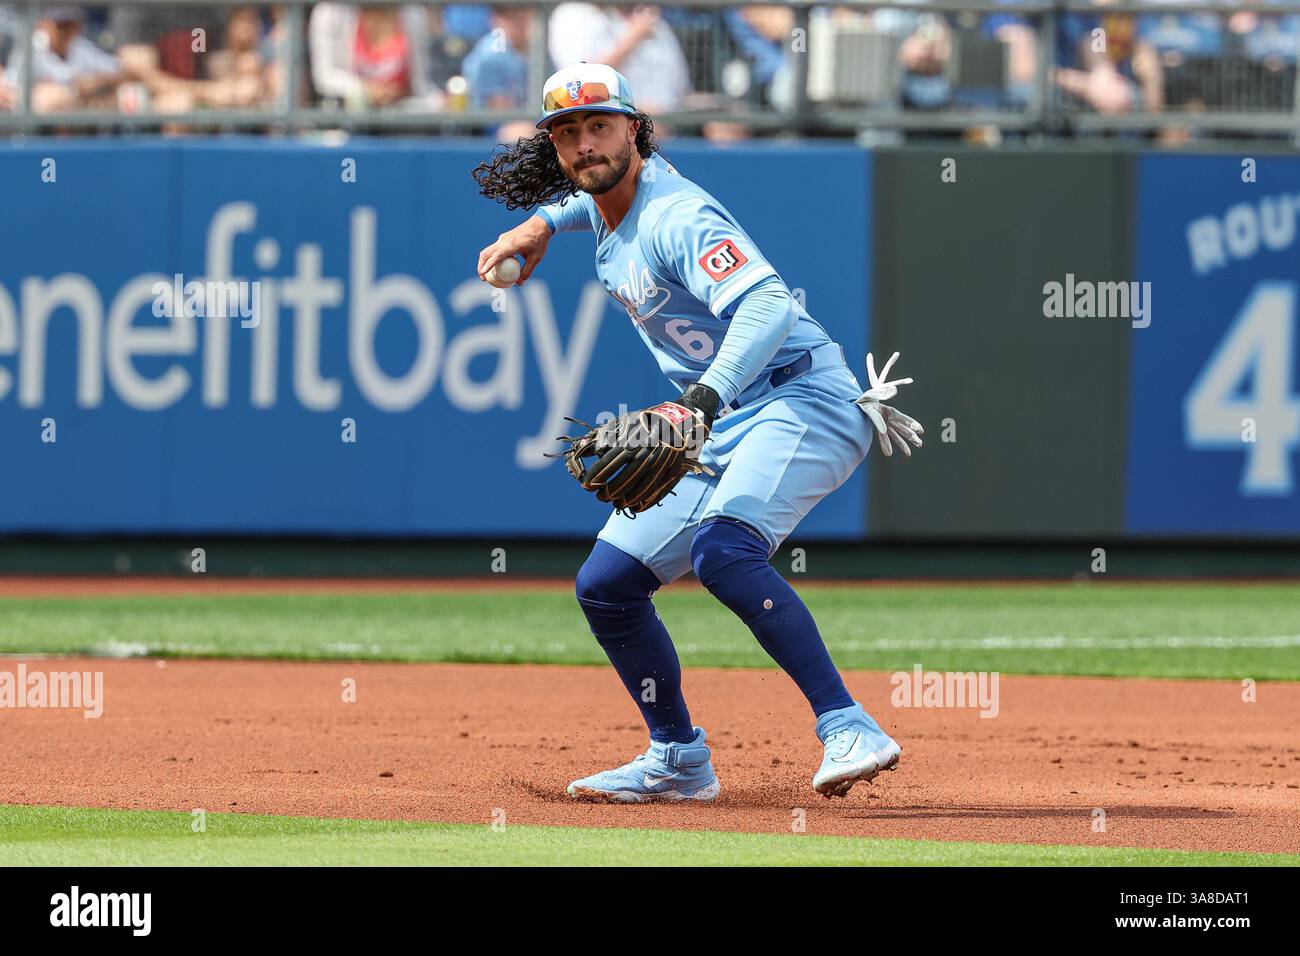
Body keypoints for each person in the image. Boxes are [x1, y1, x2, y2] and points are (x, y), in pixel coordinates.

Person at [471, 64, 923, 803]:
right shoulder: (614, 205)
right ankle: (678, 758)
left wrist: (704, 401)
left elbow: (770, 305)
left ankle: (849, 724)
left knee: (724, 551)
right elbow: (597, 205)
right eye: (569, 133)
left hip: (804, 397)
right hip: (733, 412)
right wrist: (540, 222)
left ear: (635, 130)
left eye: (601, 126)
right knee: (607, 587)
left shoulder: (679, 215)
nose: (587, 145)